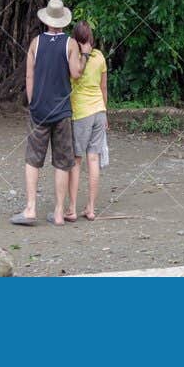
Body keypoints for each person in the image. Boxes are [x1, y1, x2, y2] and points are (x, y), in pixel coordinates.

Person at [10, 0, 83, 227]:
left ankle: (30, 208)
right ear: (63, 20)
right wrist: (83, 56)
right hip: (62, 110)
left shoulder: (35, 43)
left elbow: (29, 75)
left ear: (47, 20)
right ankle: (59, 212)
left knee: (33, 158)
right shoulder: (71, 44)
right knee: (62, 161)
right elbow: (75, 74)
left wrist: (33, 102)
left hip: (39, 109)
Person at [68, 21, 107, 223]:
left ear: (75, 39)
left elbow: (74, 75)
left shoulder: (74, 58)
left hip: (81, 113)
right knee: (94, 160)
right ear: (90, 38)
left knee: (76, 161)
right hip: (99, 111)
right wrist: (106, 113)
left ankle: (72, 209)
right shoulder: (100, 56)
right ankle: (90, 209)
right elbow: (103, 88)